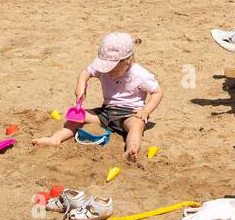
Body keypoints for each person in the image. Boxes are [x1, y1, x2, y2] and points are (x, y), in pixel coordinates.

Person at [32, 32, 162, 163]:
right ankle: (56, 138)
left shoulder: (140, 74)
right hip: (105, 112)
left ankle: (131, 150)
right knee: (78, 116)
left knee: (136, 126)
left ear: (127, 62)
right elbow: (86, 72)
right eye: (106, 68)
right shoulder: (104, 69)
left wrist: (146, 110)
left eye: (112, 69)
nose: (108, 72)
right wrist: (81, 85)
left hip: (130, 114)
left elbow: (157, 92)